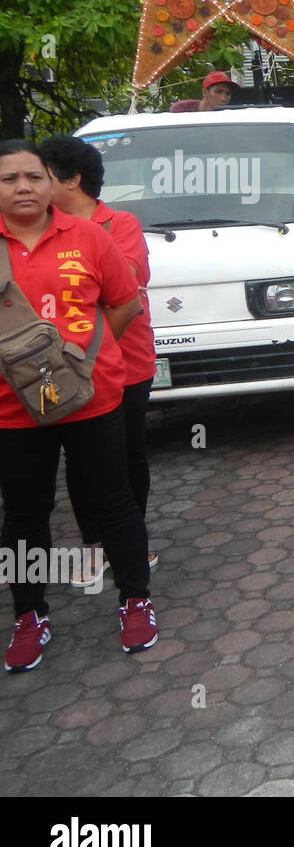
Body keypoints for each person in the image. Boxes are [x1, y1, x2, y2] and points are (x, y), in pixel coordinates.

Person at [0, 141, 157, 671]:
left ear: (52, 184)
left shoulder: (89, 236)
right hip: (12, 408)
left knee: (112, 500)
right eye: (8, 179)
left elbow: (125, 301)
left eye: (33, 177)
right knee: (23, 514)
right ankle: (29, 615)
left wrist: (85, 362)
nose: (23, 187)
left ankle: (136, 599)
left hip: (92, 398)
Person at [39, 135, 159, 578]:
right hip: (59, 365)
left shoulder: (119, 224)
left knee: (127, 454)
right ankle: (93, 541)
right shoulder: (37, 231)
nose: (31, 188)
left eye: (42, 176)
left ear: (72, 180)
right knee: (80, 457)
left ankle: (131, 538)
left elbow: (125, 283)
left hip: (125, 361)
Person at [168, 70, 234, 113]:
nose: (224, 98)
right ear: (205, 92)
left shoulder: (230, 115)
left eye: (228, 94)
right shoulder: (182, 109)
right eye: (218, 92)